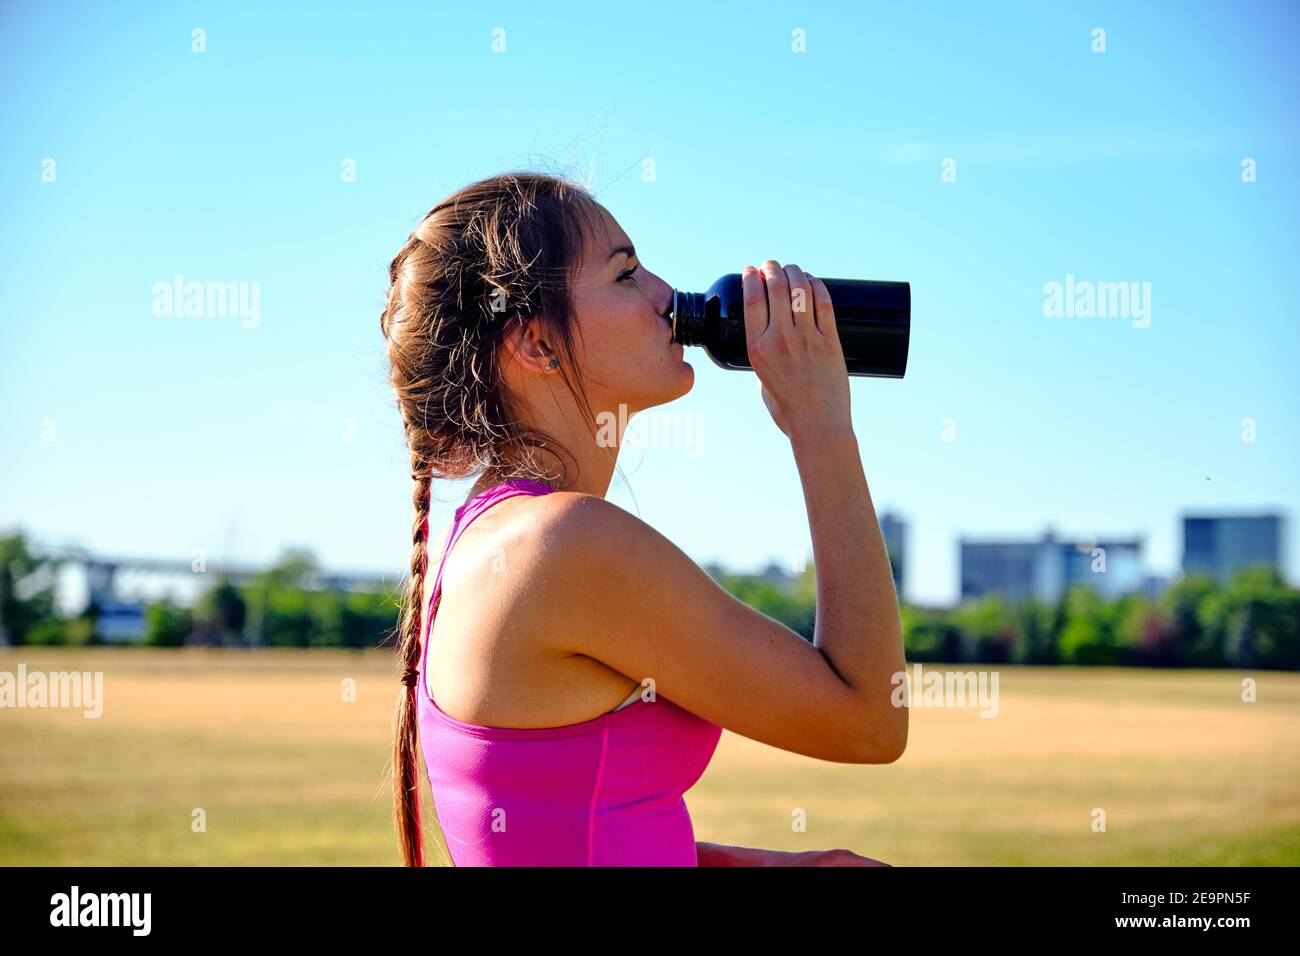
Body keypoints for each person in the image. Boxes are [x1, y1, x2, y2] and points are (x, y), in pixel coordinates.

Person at [379, 170, 906, 866]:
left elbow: (563, 827)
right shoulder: (562, 547)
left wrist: (779, 865)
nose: (665, 295)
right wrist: (821, 426)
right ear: (536, 344)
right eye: (626, 274)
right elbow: (869, 720)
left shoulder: (493, 539)